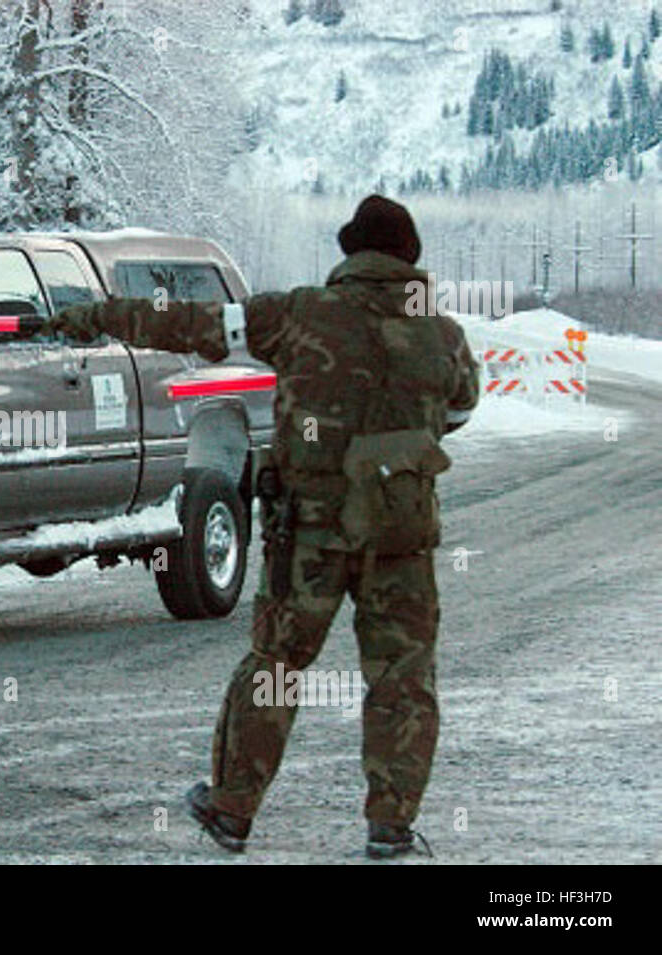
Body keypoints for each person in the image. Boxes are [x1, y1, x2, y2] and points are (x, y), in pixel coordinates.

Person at [41, 196, 480, 858]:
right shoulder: (441, 332)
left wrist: (93, 316)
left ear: (350, 255)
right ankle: (390, 825)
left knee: (276, 665)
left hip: (309, 533)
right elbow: (460, 405)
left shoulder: (297, 314)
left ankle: (231, 810)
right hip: (399, 533)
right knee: (403, 677)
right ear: (410, 261)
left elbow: (189, 324)